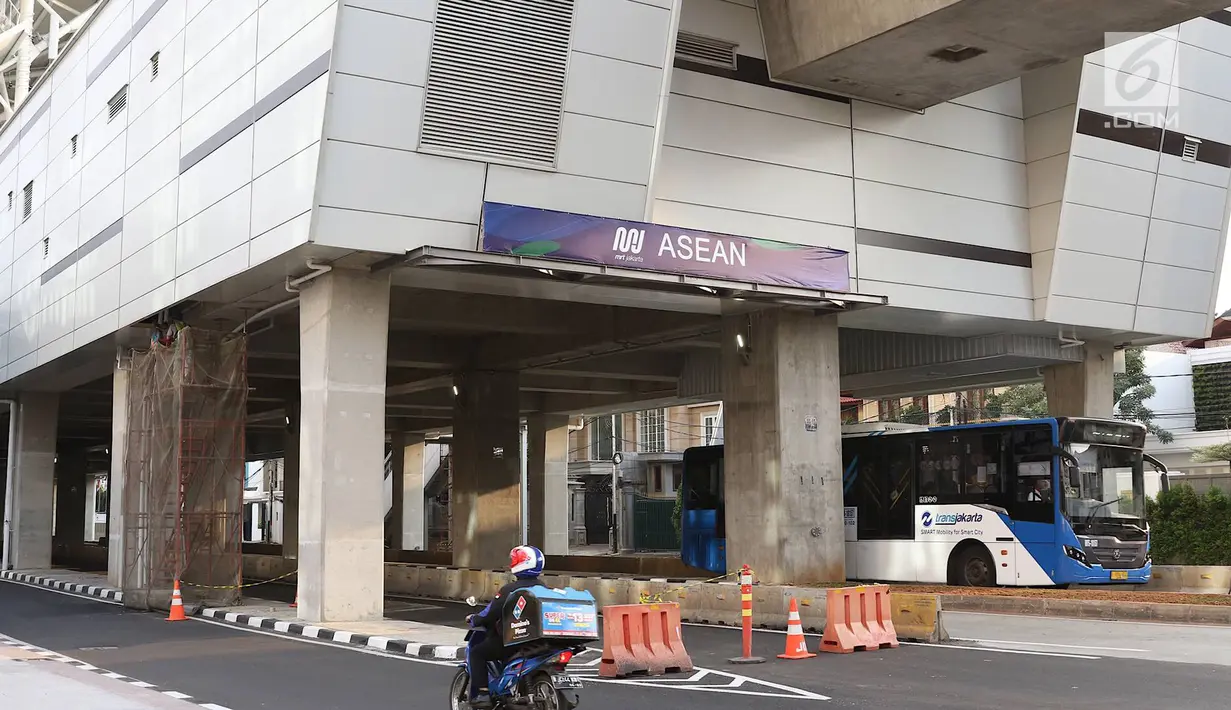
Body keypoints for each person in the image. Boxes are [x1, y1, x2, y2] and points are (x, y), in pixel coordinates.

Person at [466, 545, 545, 708]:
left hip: (513, 642)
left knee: (477, 653)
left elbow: (490, 613)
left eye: (514, 559)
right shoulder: (544, 588)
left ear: (521, 563)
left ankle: (482, 694)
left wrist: (475, 619)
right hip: (539, 641)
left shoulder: (510, 589)